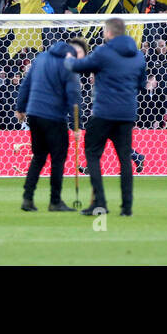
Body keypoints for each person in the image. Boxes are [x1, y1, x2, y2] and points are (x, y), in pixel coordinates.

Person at [64, 17, 145, 216]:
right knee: (125, 158)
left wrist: (67, 58)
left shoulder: (103, 52)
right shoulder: (138, 56)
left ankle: (100, 203)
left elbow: (78, 67)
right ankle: (127, 207)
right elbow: (142, 85)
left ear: (108, 33)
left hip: (104, 112)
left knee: (92, 153)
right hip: (127, 113)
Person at [15, 35, 86, 212]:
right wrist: (76, 125)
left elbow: (26, 84)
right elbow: (74, 96)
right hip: (54, 116)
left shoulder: (41, 57)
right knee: (58, 158)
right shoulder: (69, 64)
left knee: (38, 157)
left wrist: (20, 108)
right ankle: (55, 201)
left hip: (34, 114)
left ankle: (27, 198)